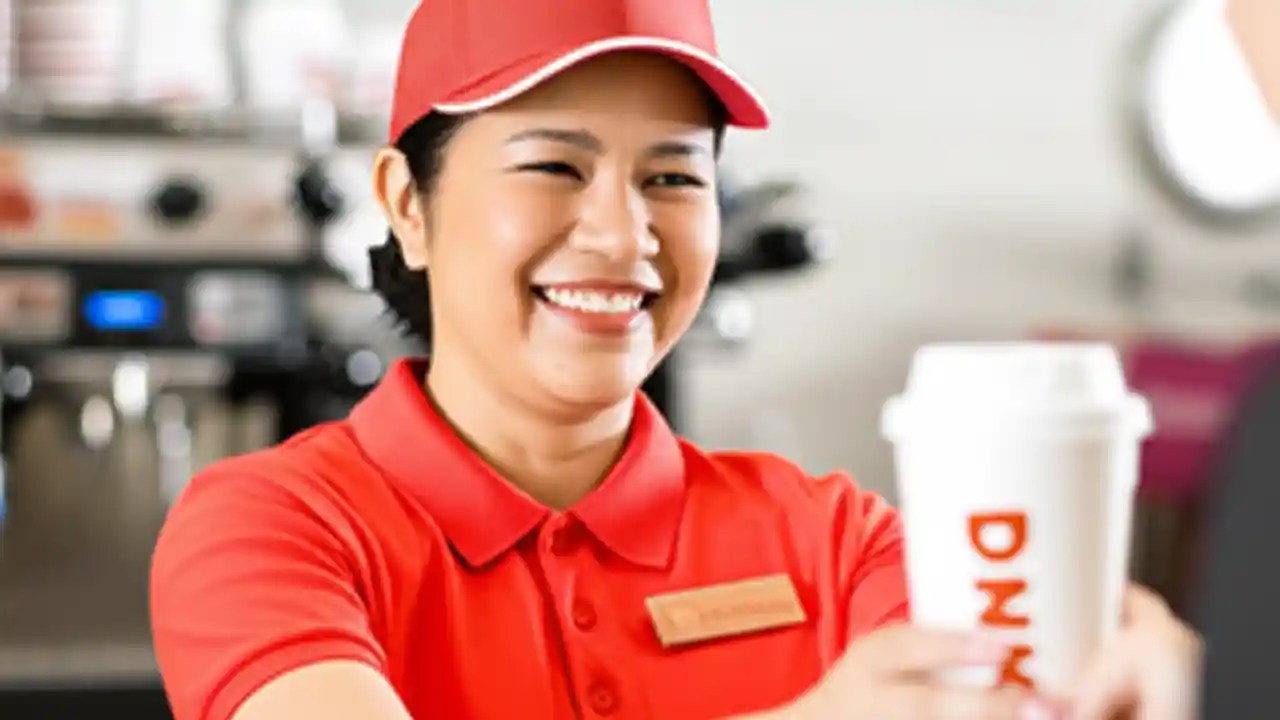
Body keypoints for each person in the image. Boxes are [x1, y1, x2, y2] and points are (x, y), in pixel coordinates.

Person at [148, 1, 1202, 718]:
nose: (622, 234)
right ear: (405, 206)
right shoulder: (272, 528)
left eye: (671, 177)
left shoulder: (832, 544)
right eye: (555, 165)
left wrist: (1150, 672)